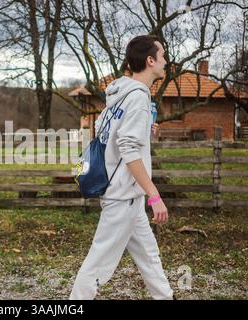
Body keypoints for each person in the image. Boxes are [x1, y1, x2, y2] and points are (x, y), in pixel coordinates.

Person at [70, 35, 173, 300]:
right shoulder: (138, 97)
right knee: (98, 264)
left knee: (150, 257)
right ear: (150, 61)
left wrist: (143, 131)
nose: (165, 61)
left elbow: (106, 133)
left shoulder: (119, 93)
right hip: (124, 195)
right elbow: (128, 151)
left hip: (129, 195)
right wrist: (155, 195)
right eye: (162, 56)